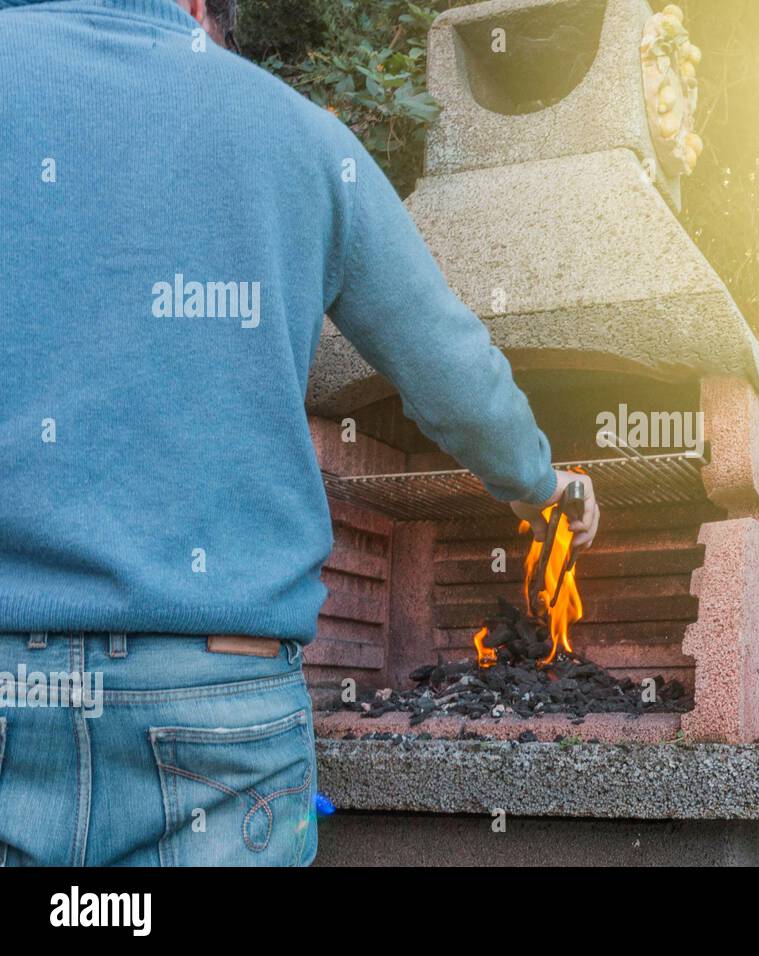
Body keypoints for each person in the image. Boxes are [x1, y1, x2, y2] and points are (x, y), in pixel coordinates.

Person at [0, 0, 598, 866]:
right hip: (219, 702)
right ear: (201, 8)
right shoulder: (296, 131)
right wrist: (541, 486)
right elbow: (450, 368)